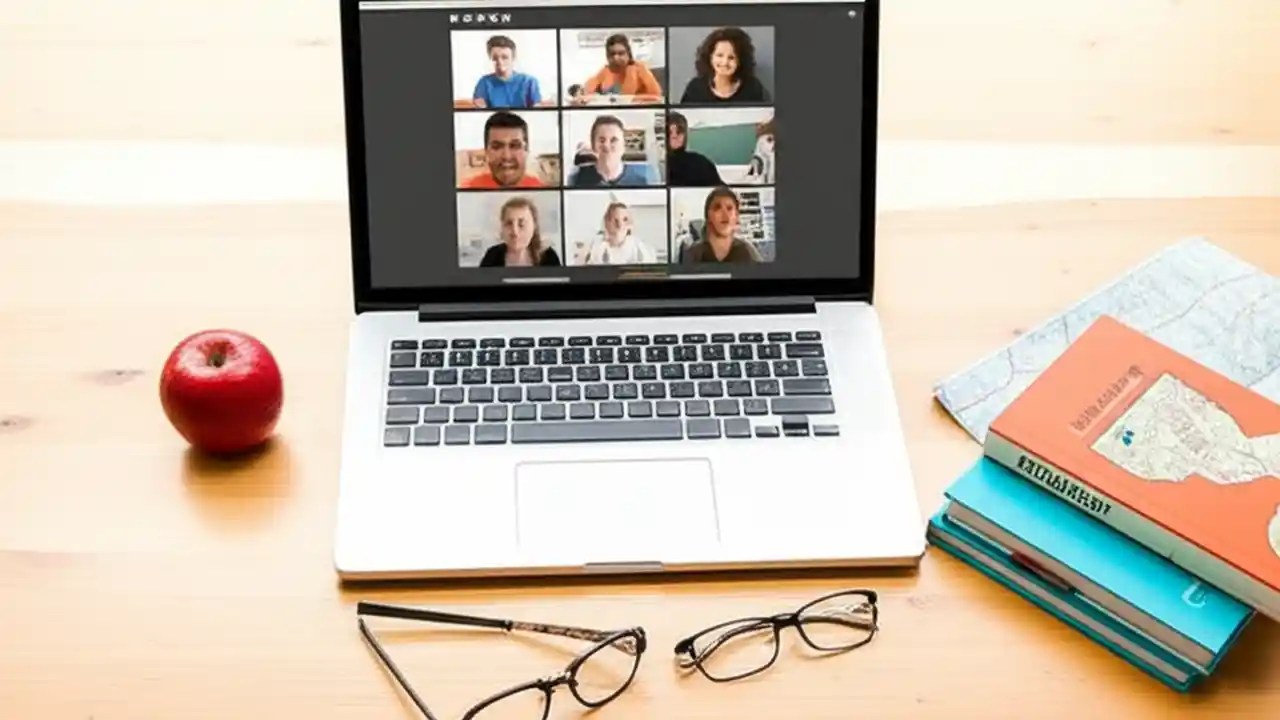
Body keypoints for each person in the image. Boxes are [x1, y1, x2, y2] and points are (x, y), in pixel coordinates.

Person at [679, 27, 770, 104]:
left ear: (740, 61)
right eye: (719, 55)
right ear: (710, 57)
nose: (725, 62)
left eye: (731, 57)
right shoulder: (695, 88)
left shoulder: (752, 88)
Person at [567, 115, 659, 187]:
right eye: (601, 140)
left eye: (613, 140)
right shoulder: (577, 178)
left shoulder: (643, 179)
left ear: (623, 145)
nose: (607, 145)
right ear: (593, 144)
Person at [461, 112, 546, 188]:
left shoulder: (540, 190)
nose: (506, 156)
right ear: (486, 152)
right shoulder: (468, 188)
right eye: (497, 147)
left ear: (526, 151)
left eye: (515, 146)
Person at [681, 186, 762, 263]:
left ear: (736, 216)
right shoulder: (693, 254)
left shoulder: (748, 252)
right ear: (708, 216)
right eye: (717, 208)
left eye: (729, 208)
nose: (725, 215)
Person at [574, 33, 663, 104]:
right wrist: (582, 95)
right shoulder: (605, 70)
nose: (616, 58)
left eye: (621, 53)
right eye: (612, 54)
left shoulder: (639, 68)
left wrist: (632, 99)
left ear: (628, 53)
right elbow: (588, 88)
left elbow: (657, 96)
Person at [479, 196, 562, 267]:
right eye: (509, 223)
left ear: (534, 226)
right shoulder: (492, 256)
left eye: (521, 224)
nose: (515, 231)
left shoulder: (548, 256)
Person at [472, 35, 542, 109]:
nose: (500, 62)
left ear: (513, 58)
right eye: (495, 58)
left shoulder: (529, 82)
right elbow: (481, 110)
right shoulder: (484, 83)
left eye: (504, 57)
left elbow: (536, 111)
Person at [580, 201, 656, 265]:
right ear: (607, 222)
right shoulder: (596, 246)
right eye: (615, 220)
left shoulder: (640, 248)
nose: (620, 225)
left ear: (631, 223)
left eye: (625, 219)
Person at [665, 111, 723, 187]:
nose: (674, 136)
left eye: (679, 131)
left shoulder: (701, 164)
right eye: (669, 132)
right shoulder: (659, 167)